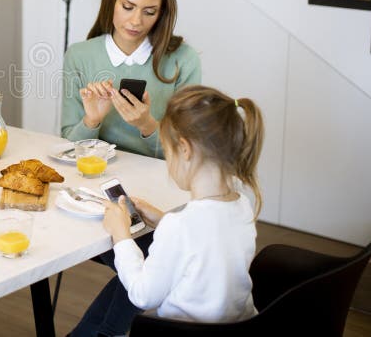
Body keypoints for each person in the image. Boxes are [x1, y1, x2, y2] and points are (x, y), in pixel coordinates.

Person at [71, 85, 264, 336]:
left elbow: (143, 295)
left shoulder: (180, 225)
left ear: (184, 149)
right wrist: (163, 220)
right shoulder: (241, 205)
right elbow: (206, 242)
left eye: (168, 151)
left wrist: (121, 237)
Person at [62, 0, 201, 158]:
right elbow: (67, 147)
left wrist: (147, 125)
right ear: (112, 1)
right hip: (96, 174)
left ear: (161, 13)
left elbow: (186, 152)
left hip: (156, 180)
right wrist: (92, 121)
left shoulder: (184, 60)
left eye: (149, 12)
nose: (136, 21)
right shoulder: (79, 55)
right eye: (128, 7)